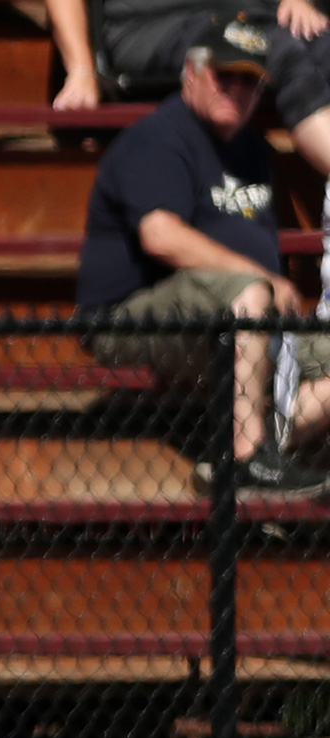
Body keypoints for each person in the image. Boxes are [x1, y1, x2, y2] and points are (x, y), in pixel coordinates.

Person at [80, 15, 330, 495]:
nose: (237, 89)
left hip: (237, 319)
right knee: (249, 293)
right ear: (191, 74)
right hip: (134, 316)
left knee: (255, 301)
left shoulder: (252, 149)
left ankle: (258, 449)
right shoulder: (158, 137)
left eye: (251, 81)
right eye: (225, 75)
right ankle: (245, 462)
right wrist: (258, 278)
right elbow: (161, 236)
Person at [58, 0, 330, 181]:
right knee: (278, 51)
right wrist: (81, 69)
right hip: (152, 25)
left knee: (323, 46)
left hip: (241, 8)